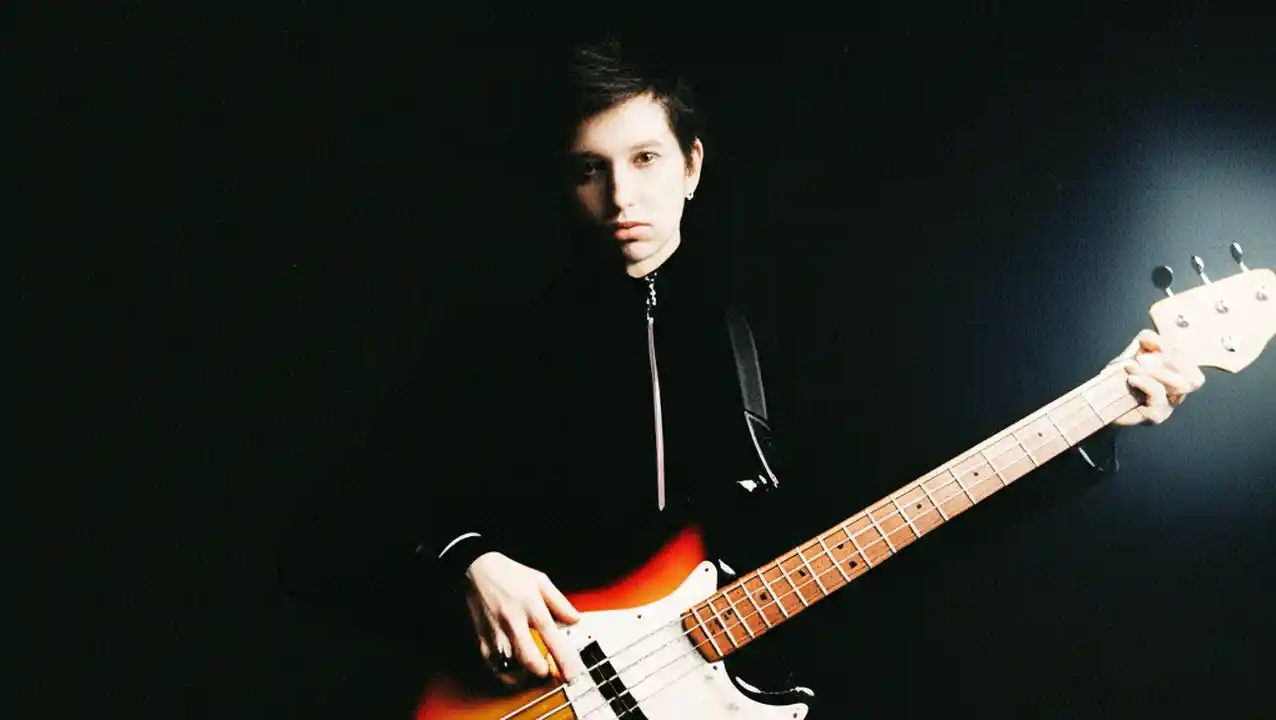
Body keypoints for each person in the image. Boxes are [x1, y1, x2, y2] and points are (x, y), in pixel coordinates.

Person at [279, 35, 1208, 697]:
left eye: (644, 158)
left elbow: (921, 508)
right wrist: (466, 561)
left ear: (690, 164)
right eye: (589, 170)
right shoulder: (491, 345)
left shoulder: (775, 330)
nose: (621, 197)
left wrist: (1101, 415)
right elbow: (333, 532)